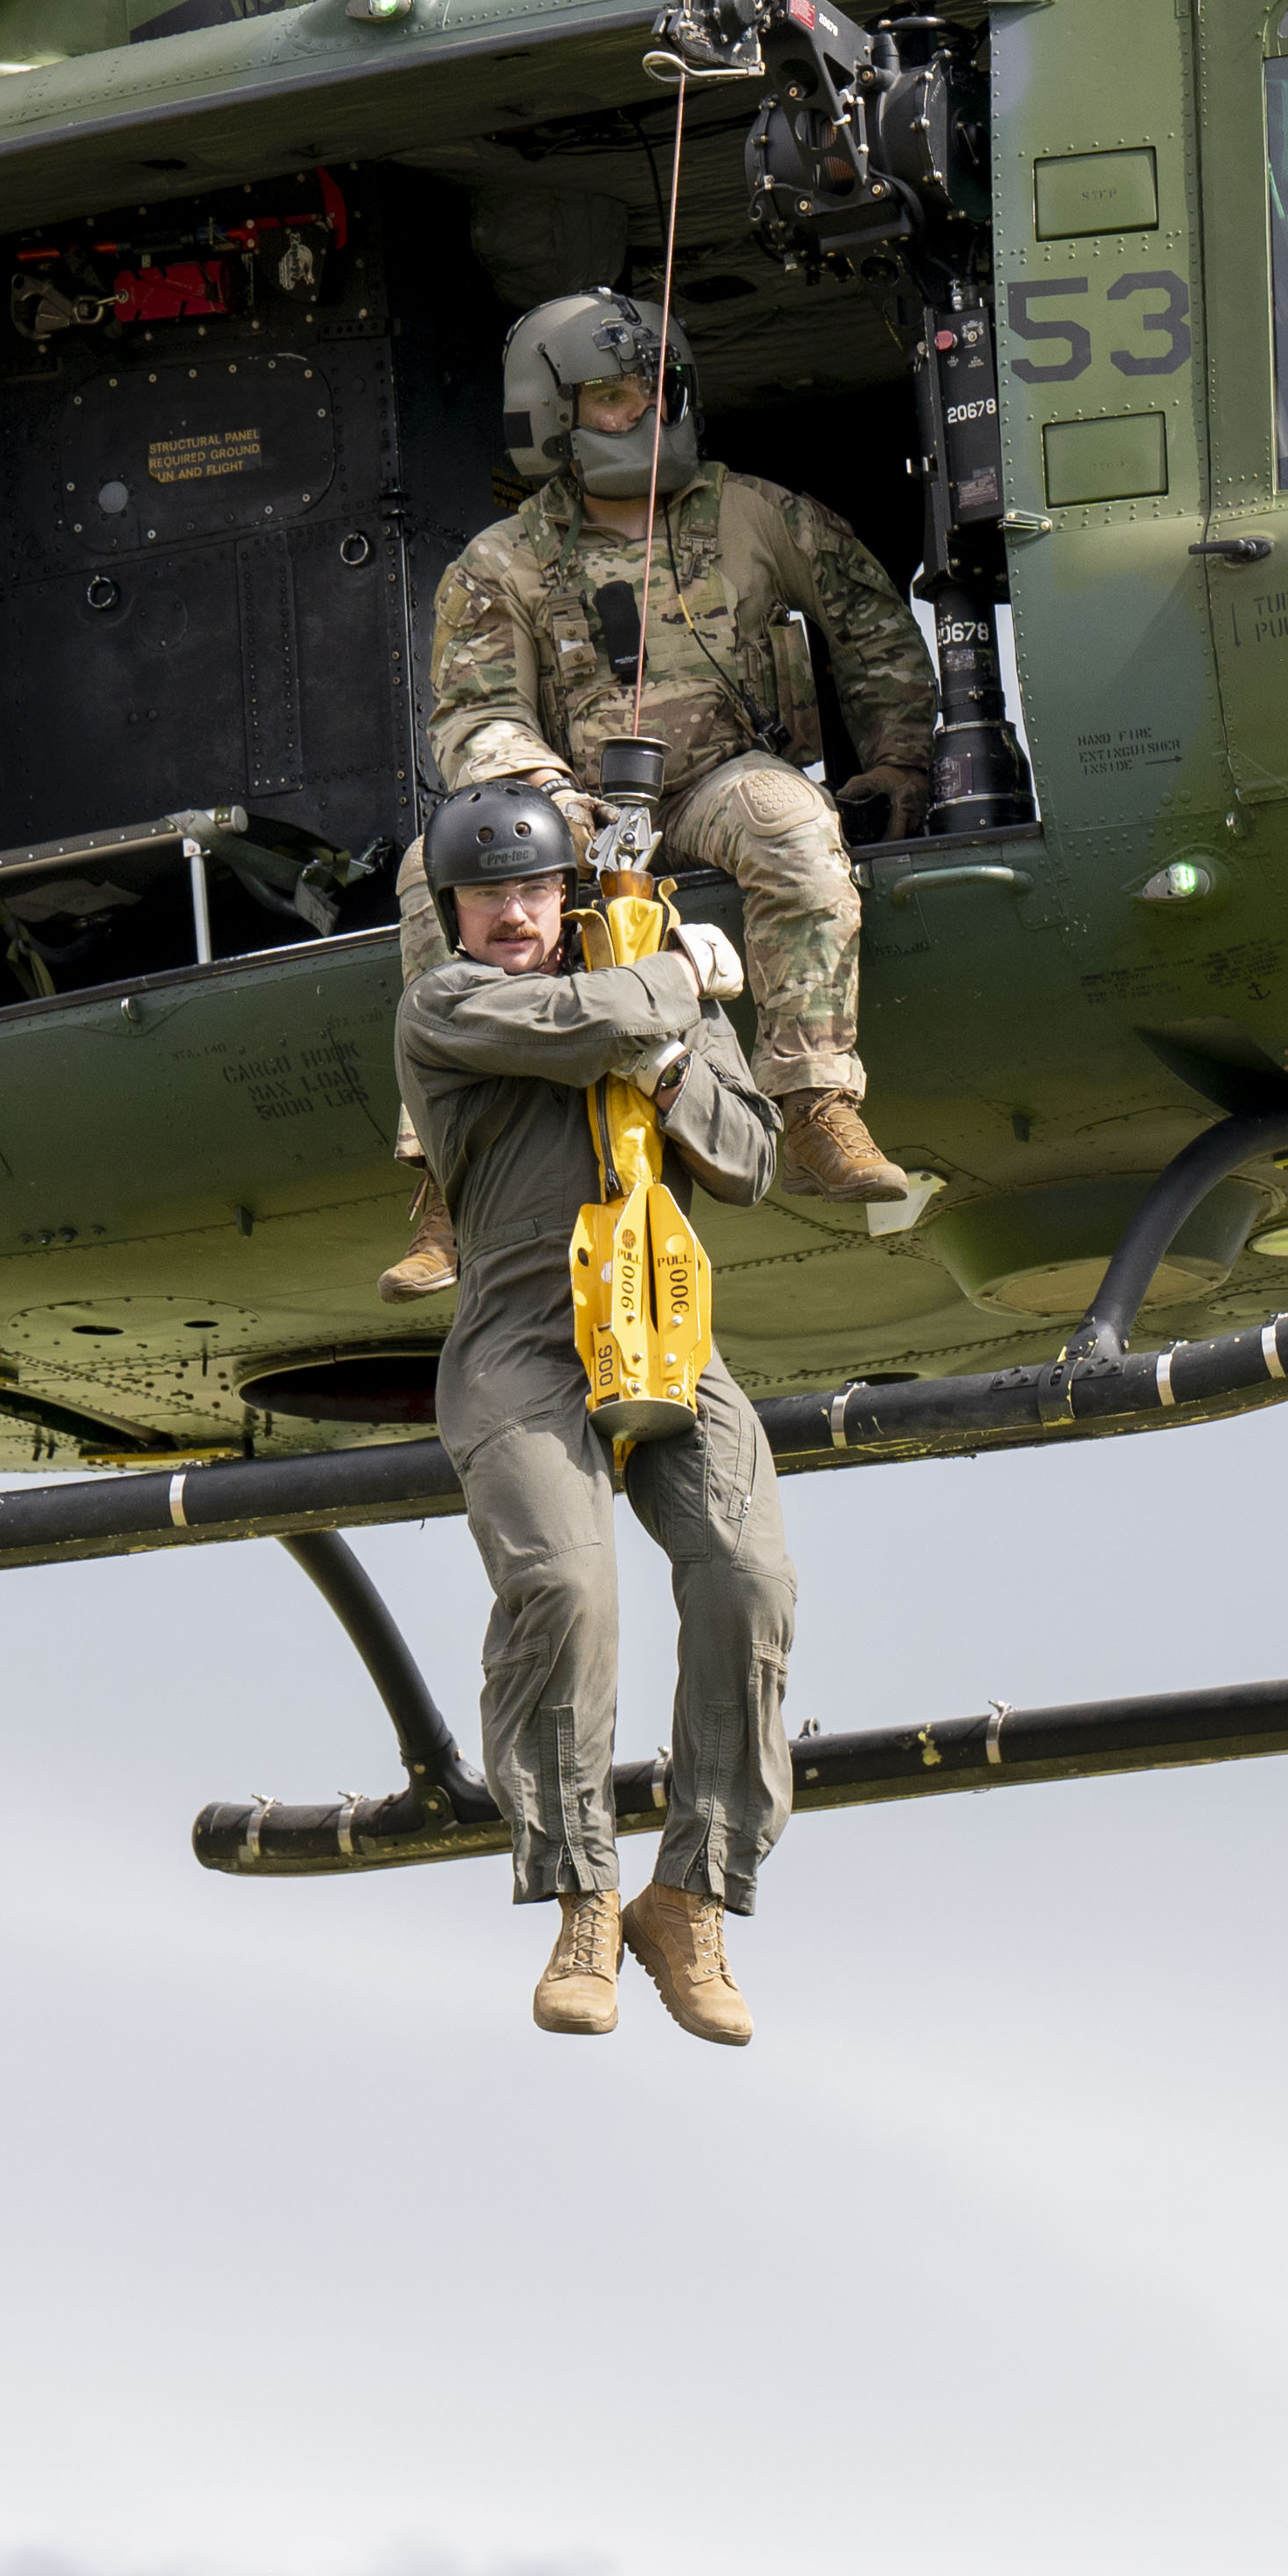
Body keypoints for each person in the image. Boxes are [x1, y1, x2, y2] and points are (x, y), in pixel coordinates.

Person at [375, 286, 937, 1303]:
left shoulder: (754, 513)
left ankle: (813, 1103)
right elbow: (473, 714)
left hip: (716, 784)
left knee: (796, 827)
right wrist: (544, 795)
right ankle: (449, 1188)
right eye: (613, 398)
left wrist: (900, 762)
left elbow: (871, 627)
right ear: (555, 416)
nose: (644, 412)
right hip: (573, 819)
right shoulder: (498, 565)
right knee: (432, 873)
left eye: (655, 389)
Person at [395, 777, 794, 2043]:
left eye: (531, 887)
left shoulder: (634, 979)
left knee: (748, 1580)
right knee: (566, 1587)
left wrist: (677, 1062)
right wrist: (678, 983)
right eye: (485, 895)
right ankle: (583, 1890)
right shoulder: (452, 1003)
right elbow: (577, 1032)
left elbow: (750, 1159)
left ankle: (692, 1897)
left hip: (664, 1317)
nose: (511, 912)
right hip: (522, 1339)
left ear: (563, 891)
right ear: (454, 912)